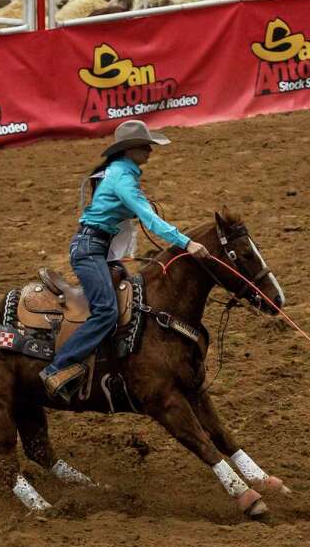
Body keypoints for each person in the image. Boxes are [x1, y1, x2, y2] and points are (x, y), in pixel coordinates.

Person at [40, 119, 209, 400]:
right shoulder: (121, 177)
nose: (150, 150)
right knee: (106, 310)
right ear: (130, 149)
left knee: (131, 298)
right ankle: (58, 368)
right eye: (145, 146)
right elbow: (150, 220)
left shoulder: (118, 174)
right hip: (90, 250)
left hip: (97, 248)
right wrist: (186, 242)